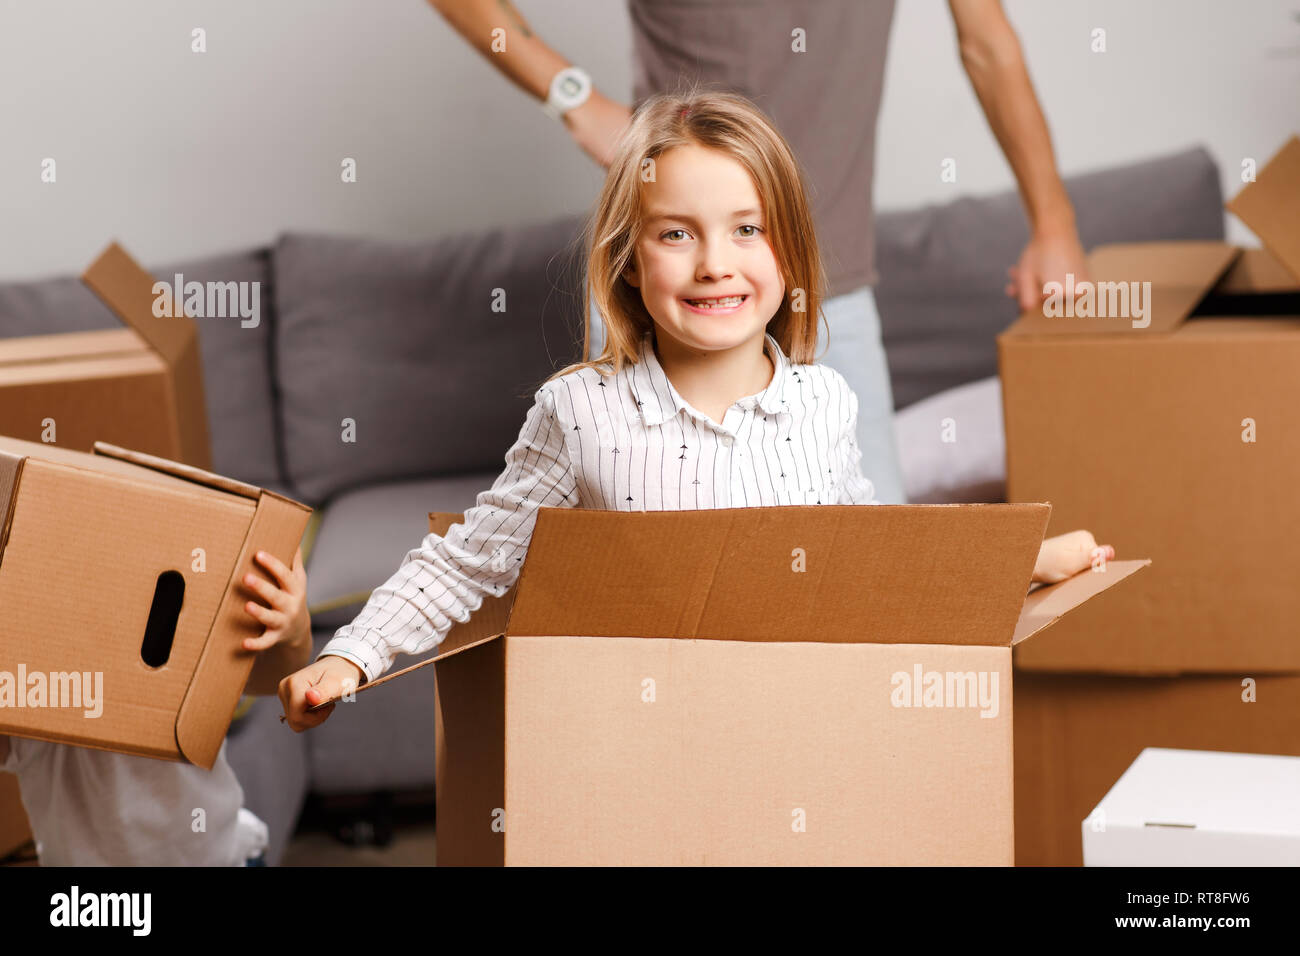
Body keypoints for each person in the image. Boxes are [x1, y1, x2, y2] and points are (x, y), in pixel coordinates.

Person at [280, 91, 1109, 729]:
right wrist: (349, 656)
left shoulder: (823, 401)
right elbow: (469, 562)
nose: (716, 263)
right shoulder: (582, 411)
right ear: (629, 263)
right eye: (677, 234)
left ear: (789, 255)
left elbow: (869, 559)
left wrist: (1017, 561)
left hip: (799, 735)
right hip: (646, 741)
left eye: (747, 229)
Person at [424, 0, 1090, 505]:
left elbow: (987, 43)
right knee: (656, 600)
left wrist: (1053, 222)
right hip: (670, 305)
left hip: (835, 292)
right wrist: (575, 100)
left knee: (875, 590)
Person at [0, 547, 311, 866]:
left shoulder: (184, 648)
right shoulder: (39, 689)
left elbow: (268, 677)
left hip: (222, 856)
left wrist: (295, 634)